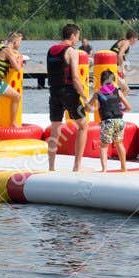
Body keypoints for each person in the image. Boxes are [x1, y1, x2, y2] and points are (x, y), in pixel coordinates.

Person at [46, 24, 90, 172]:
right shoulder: (72, 51)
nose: (77, 39)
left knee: (55, 130)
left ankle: (51, 167)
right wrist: (84, 95)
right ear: (72, 36)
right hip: (69, 92)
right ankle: (77, 167)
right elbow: (76, 77)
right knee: (83, 125)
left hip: (54, 92)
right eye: (77, 36)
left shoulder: (51, 50)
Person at [87, 68, 132, 173]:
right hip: (119, 120)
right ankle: (124, 167)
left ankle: (104, 169)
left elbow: (88, 108)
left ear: (101, 81)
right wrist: (122, 111)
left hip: (107, 122)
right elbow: (129, 107)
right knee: (119, 143)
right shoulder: (118, 91)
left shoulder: (98, 93)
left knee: (103, 146)